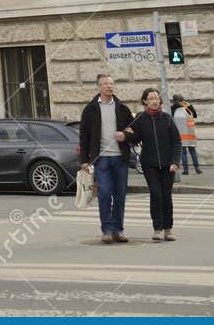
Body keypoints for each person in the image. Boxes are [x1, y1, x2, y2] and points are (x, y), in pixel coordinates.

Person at [77, 73, 135, 243]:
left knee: (120, 195)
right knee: (105, 193)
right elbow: (84, 135)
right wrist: (84, 160)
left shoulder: (122, 108)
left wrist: (125, 136)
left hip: (120, 158)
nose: (109, 86)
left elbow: (133, 132)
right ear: (99, 87)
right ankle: (107, 230)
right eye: (105, 84)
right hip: (101, 159)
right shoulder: (90, 109)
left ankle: (118, 229)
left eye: (111, 83)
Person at [126, 88, 182, 241]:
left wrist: (175, 162)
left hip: (167, 164)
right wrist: (126, 135)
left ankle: (168, 229)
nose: (154, 101)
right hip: (149, 164)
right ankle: (157, 228)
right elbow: (135, 139)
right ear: (145, 101)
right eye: (150, 98)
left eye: (156, 98)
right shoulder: (140, 118)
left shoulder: (167, 118)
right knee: (155, 194)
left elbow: (177, 142)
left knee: (166, 196)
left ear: (160, 100)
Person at [171, 95, 202, 174]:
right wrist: (190, 105)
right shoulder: (188, 108)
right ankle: (197, 168)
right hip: (190, 134)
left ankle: (185, 170)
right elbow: (195, 115)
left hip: (180, 135)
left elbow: (171, 119)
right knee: (192, 151)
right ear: (182, 100)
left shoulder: (173, 109)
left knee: (183, 153)